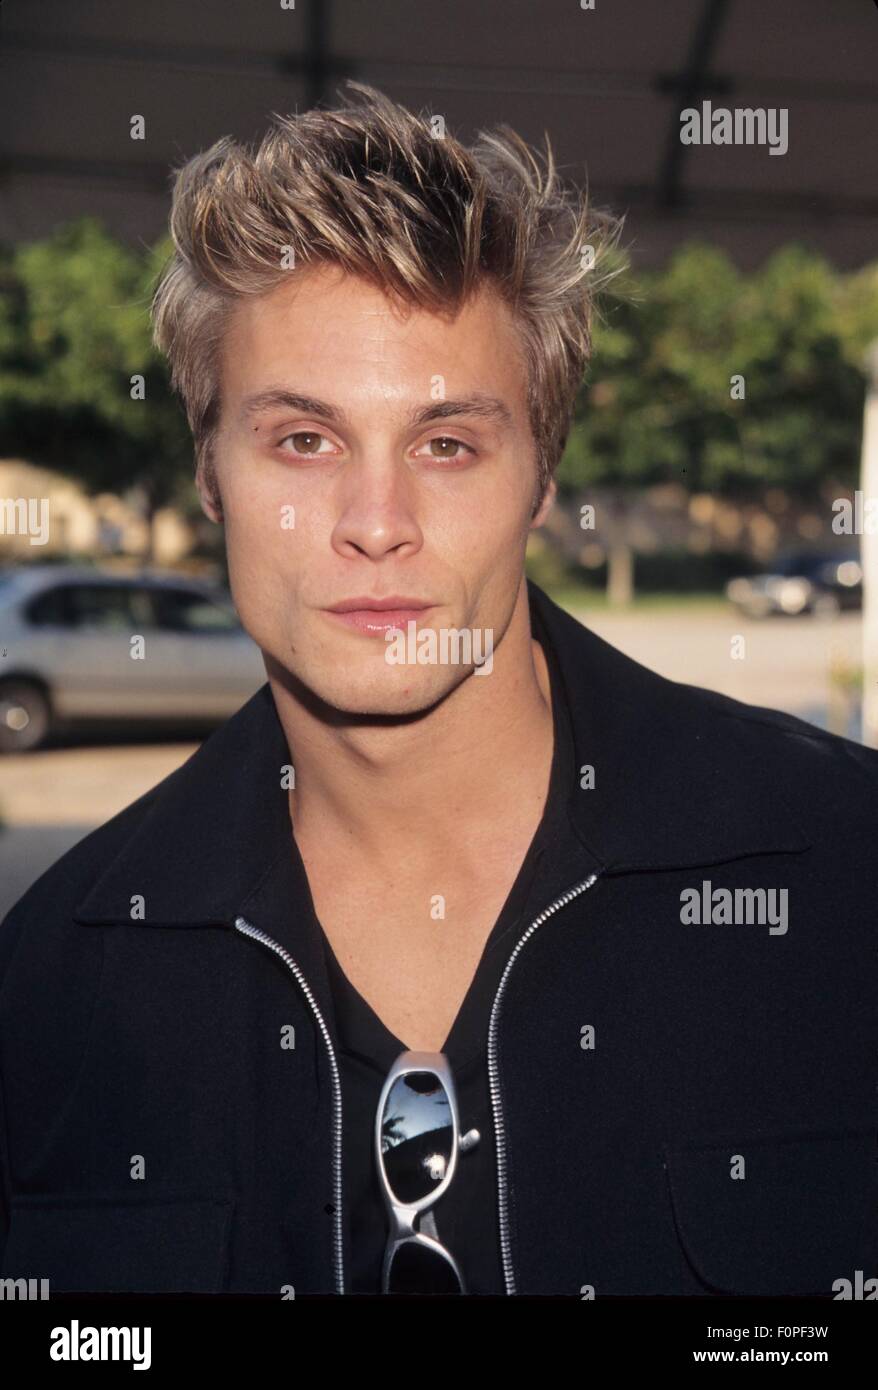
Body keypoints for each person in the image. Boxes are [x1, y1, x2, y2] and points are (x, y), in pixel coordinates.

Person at [0, 82, 875, 1298]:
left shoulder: (839, 872)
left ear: (538, 476)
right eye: (303, 439)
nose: (376, 524)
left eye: (446, 443)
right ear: (209, 471)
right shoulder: (54, 981)